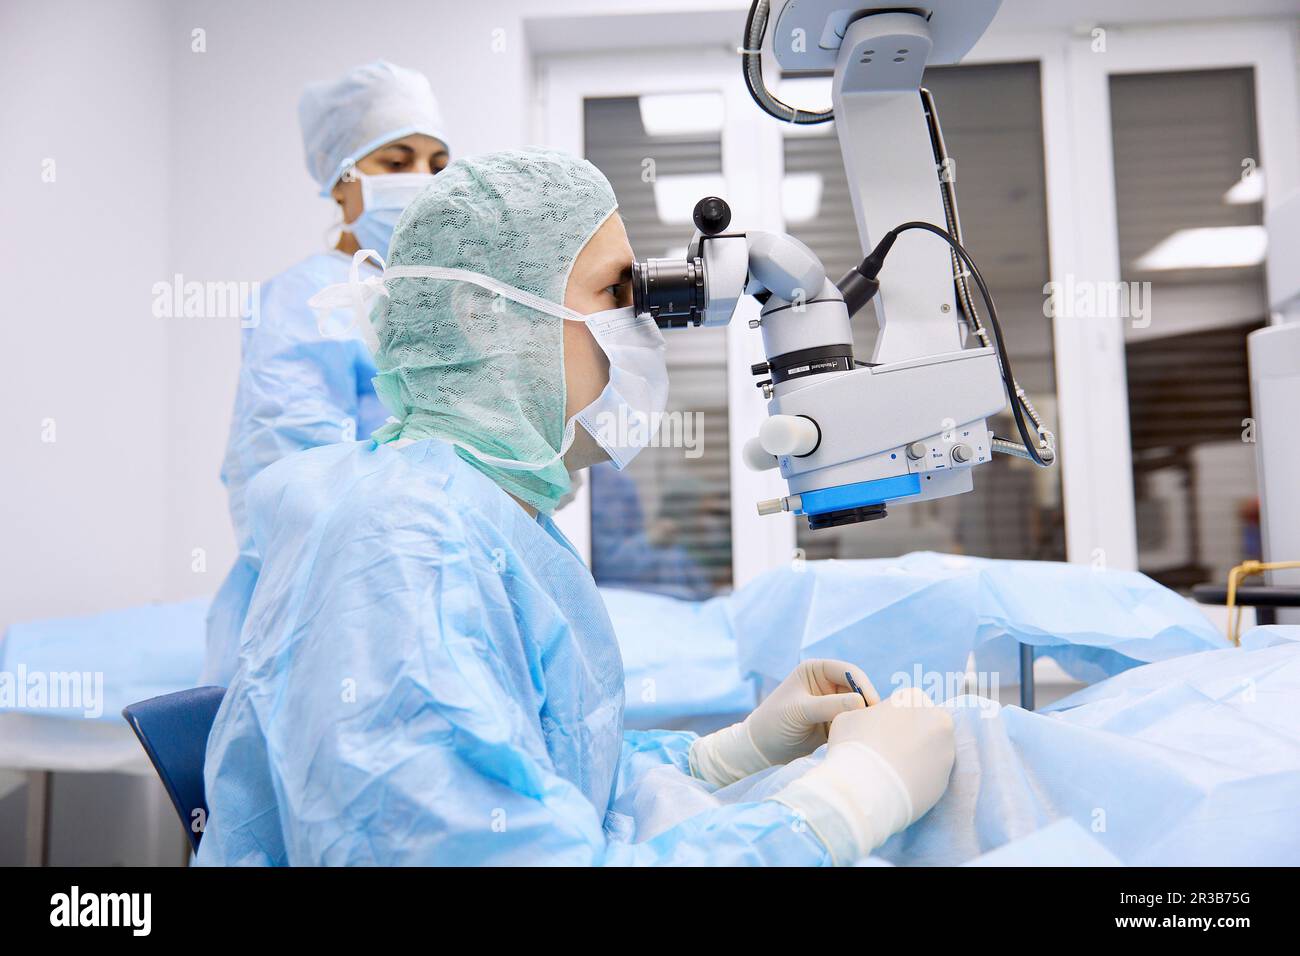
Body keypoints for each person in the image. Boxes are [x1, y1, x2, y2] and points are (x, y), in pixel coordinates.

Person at [196, 148, 955, 866]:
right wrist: (847, 804)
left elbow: (544, 775)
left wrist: (732, 753)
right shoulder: (405, 544)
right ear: (481, 318)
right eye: (615, 294)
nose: (642, 326)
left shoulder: (484, 515)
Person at [202, 61, 450, 686]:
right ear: (343, 183)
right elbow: (287, 465)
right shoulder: (300, 300)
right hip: (333, 604)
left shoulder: (443, 302)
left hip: (439, 587)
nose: (423, 180)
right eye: (396, 163)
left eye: (438, 165)